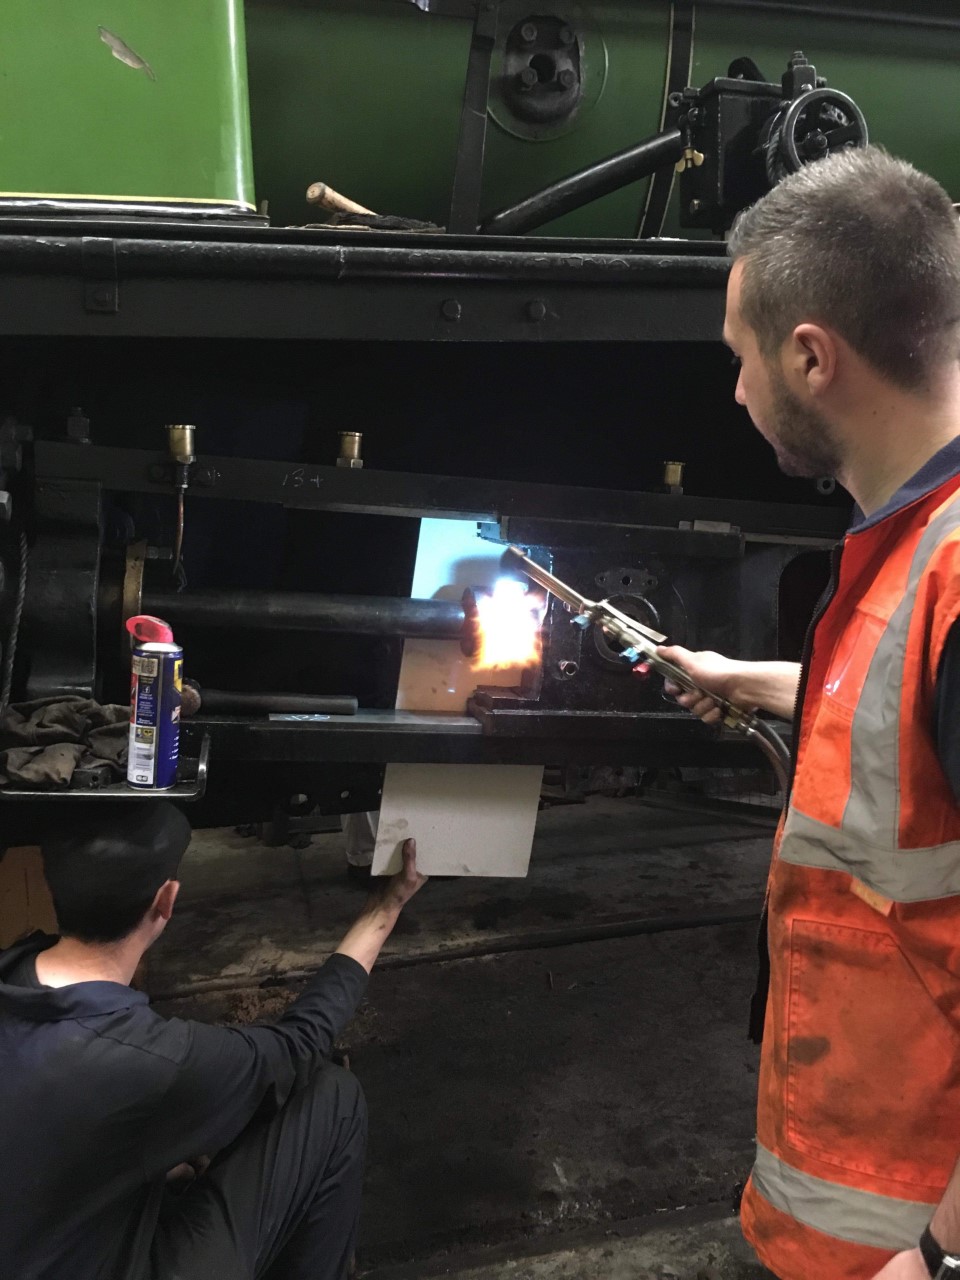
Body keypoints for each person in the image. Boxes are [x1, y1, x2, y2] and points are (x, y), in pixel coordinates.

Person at [659, 146, 960, 1280]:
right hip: (843, 1209)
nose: (737, 390)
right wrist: (756, 676)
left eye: (741, 358)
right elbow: (917, 725)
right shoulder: (921, 534)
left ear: (812, 357)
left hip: (898, 1237)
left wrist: (940, 1256)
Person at [0, 800, 425, 1280]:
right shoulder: (149, 1059)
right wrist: (388, 905)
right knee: (333, 1095)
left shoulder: (13, 972)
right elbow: (301, 1043)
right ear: (166, 900)